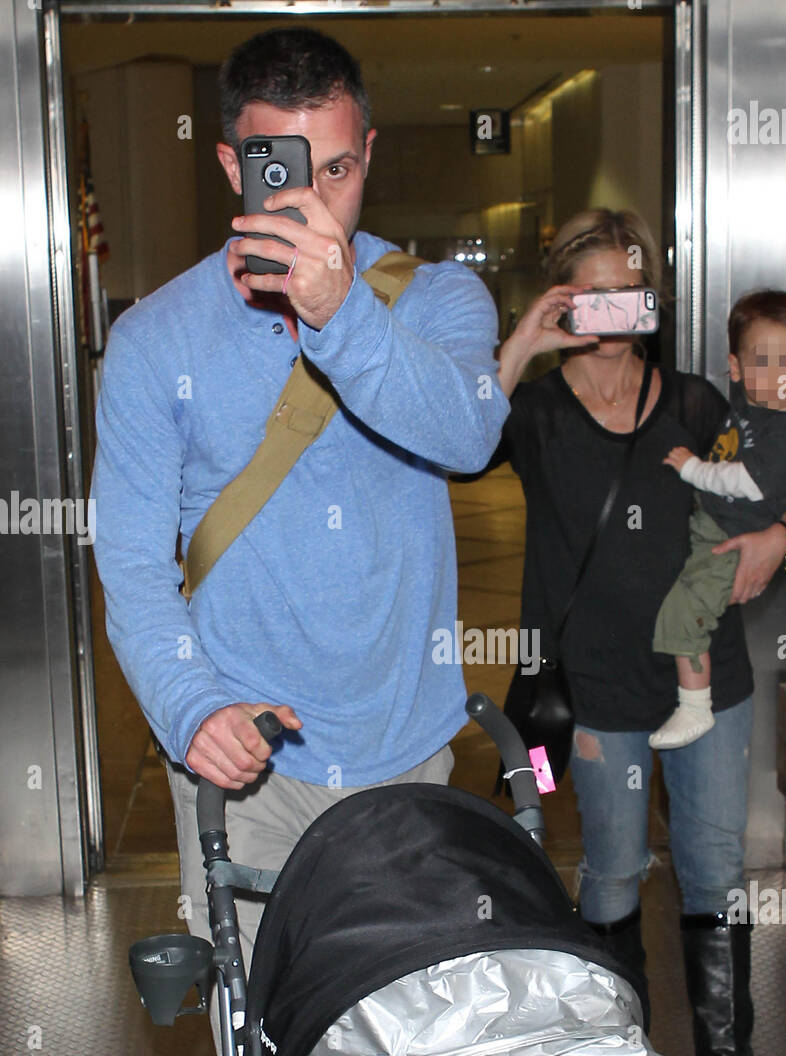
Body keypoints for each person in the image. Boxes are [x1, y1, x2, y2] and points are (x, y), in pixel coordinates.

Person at [90, 27, 508, 964]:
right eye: (285, 171)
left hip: (407, 750)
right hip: (248, 769)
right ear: (233, 164)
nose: (316, 202)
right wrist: (191, 706)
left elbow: (471, 434)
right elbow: (130, 559)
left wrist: (341, 313)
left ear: (372, 157)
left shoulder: (436, 300)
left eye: (340, 170)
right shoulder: (157, 339)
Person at [490, 209, 786, 1056]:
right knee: (615, 870)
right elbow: (456, 442)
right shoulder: (538, 413)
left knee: (713, 870)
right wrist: (524, 341)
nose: (613, 308)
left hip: (710, 681)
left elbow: (774, 480)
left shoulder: (698, 403)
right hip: (595, 690)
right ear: (566, 297)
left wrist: (781, 536)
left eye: (629, 286)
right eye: (591, 292)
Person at [649, 290, 786, 749]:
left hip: (729, 538)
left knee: (687, 611)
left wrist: (692, 469)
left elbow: (748, 483)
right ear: (736, 369)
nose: (779, 375)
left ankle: (695, 707)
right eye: (763, 362)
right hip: (714, 527)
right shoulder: (753, 412)